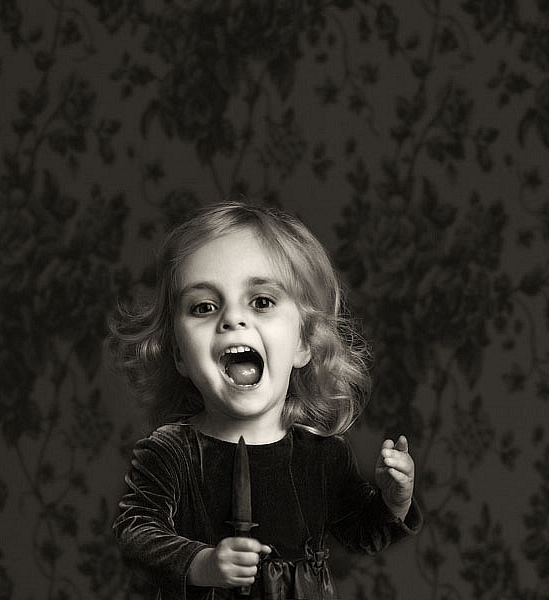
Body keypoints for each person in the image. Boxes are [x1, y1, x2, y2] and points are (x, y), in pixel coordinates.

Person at [109, 200, 422, 600]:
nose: (232, 319)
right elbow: (136, 532)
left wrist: (394, 502)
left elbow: (363, 533)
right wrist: (202, 563)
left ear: (304, 342)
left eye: (261, 302)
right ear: (179, 355)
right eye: (204, 307)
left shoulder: (322, 456)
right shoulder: (171, 453)